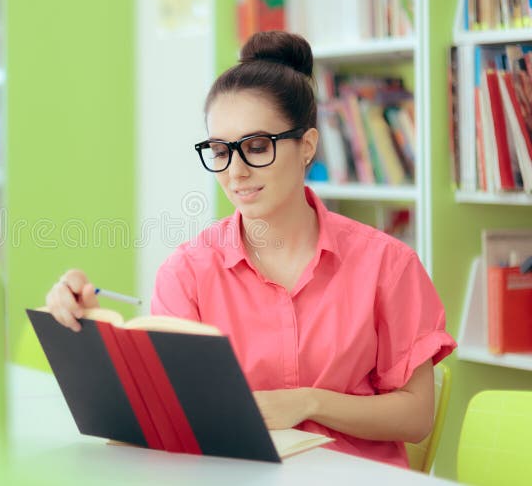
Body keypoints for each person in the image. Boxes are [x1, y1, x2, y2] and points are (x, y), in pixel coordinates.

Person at [43, 30, 456, 468]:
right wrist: (86, 334)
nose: (235, 171)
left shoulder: (387, 265)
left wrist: (310, 403)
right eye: (220, 150)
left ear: (307, 147)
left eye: (257, 147)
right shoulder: (187, 272)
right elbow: (164, 414)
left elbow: (415, 416)